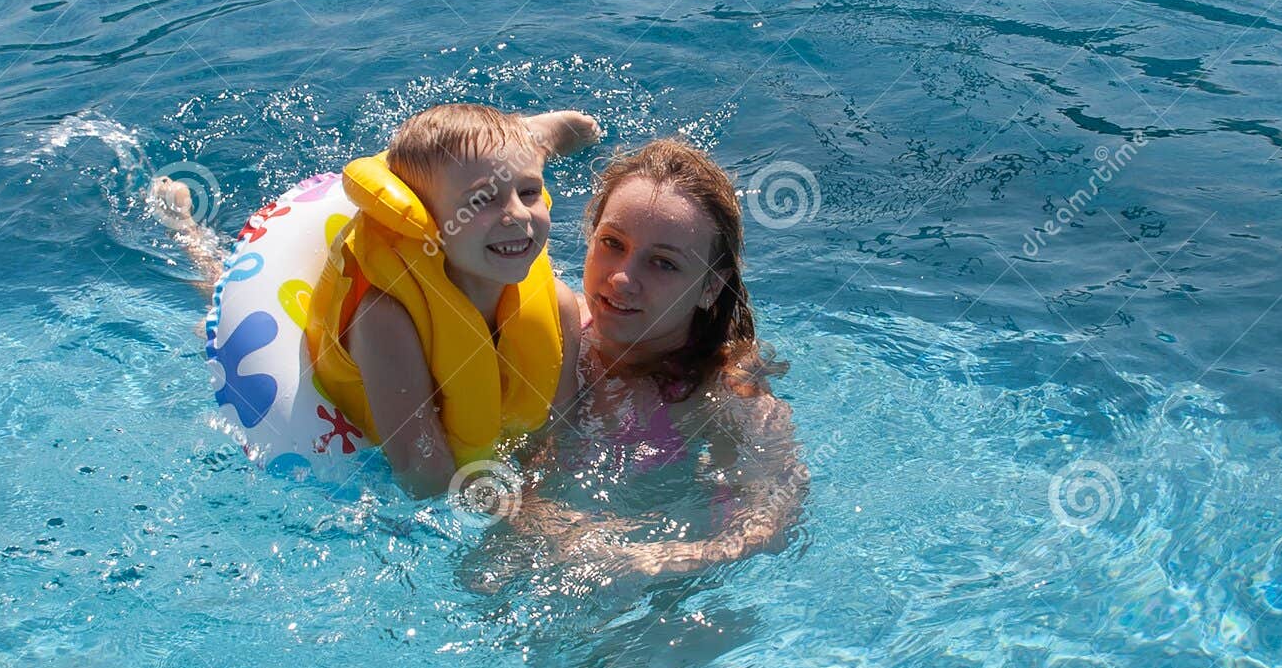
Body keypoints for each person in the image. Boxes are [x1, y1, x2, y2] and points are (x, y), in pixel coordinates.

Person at [155, 104, 601, 497]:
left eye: (529, 192)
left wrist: (546, 492)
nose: (518, 214)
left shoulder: (556, 303)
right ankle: (186, 230)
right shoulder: (387, 321)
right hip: (306, 343)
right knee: (215, 296)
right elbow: (421, 470)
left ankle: (534, 139)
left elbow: (558, 427)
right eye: (482, 199)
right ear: (424, 220)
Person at [474, 138, 806, 585]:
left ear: (711, 287)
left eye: (663, 264)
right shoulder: (546, 330)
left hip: (658, 582)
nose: (622, 278)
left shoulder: (726, 395)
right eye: (612, 243)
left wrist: (647, 560)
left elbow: (772, 521)